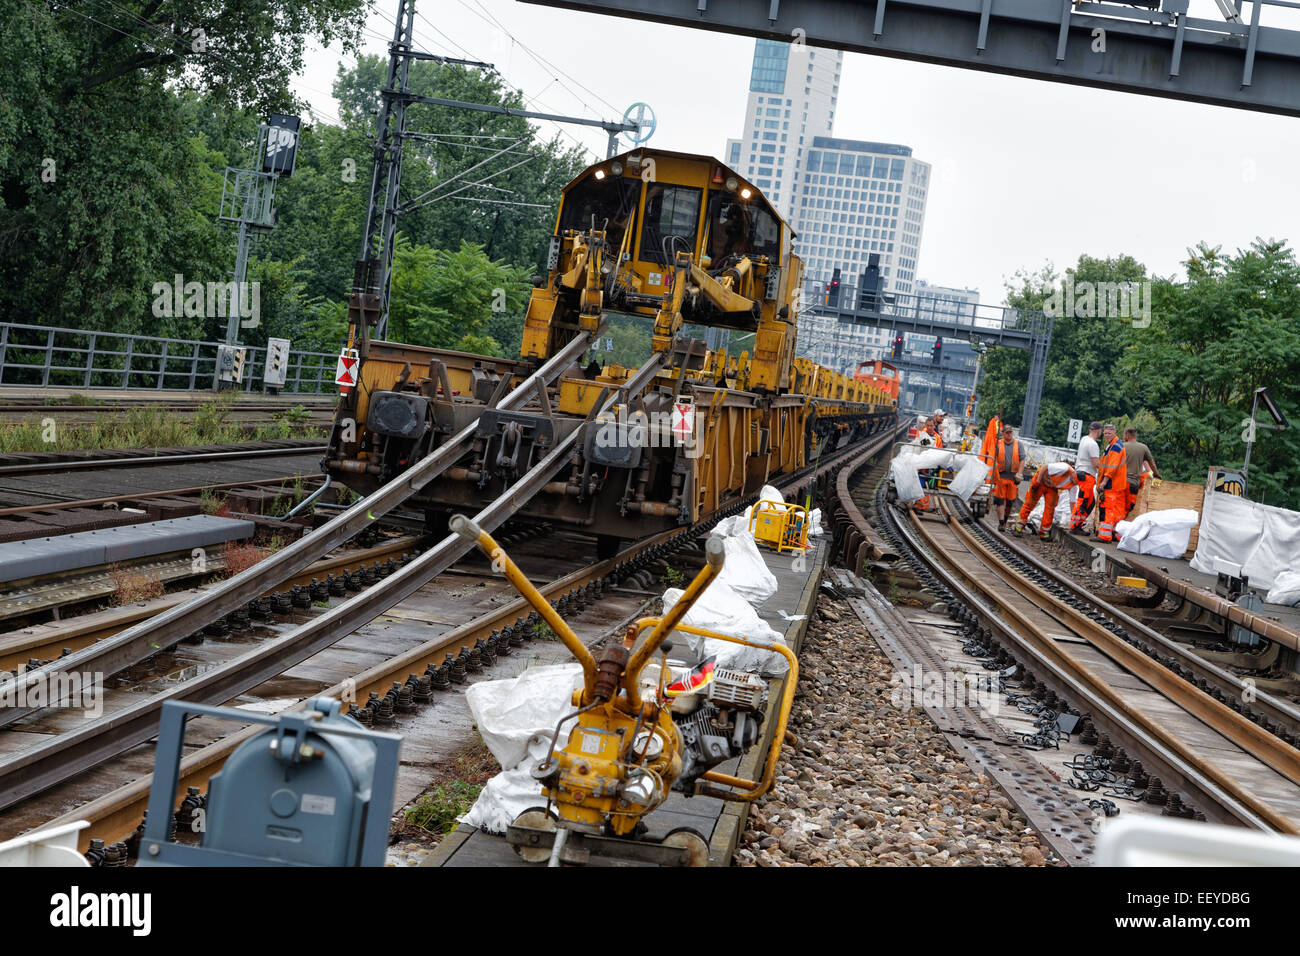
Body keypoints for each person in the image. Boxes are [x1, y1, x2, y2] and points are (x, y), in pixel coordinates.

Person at [1015, 462, 1080, 539]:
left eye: (1077, 481)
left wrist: (1073, 518)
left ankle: (1044, 533)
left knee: (1050, 508)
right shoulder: (1064, 468)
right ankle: (1018, 528)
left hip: (1052, 488)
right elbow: (1045, 467)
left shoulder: (1074, 485)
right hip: (1041, 480)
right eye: (1075, 479)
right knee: (1030, 503)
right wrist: (1038, 481)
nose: (1075, 481)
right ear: (1073, 473)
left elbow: (1072, 503)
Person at [1096, 424, 1128, 543]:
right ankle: (1116, 534)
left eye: (1109, 433)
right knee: (1117, 511)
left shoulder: (1115, 447)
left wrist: (1104, 482)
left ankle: (1104, 536)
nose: (1106, 435)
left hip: (1111, 484)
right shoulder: (1113, 445)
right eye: (1105, 433)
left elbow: (1111, 468)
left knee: (1107, 509)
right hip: (1116, 484)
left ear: (1115, 433)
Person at [991, 424, 1025, 531]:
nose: (1009, 434)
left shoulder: (1018, 444)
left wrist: (1019, 474)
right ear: (1003, 434)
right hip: (1001, 477)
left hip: (1013, 478)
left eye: (1010, 432)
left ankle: (1005, 520)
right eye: (1007, 432)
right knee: (999, 500)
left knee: (1010, 501)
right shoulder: (998, 444)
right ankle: (1001, 522)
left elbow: (1022, 460)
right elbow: (993, 459)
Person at [1070, 421, 1102, 533]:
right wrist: (1105, 471)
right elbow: (1095, 463)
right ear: (1099, 431)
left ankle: (1078, 524)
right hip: (1087, 475)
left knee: (1090, 502)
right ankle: (1074, 526)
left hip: (1080, 472)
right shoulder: (1093, 444)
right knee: (1084, 500)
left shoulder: (1084, 439)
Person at [1122, 427, 1161, 516]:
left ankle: (1115, 527)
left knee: (1119, 506)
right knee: (1129, 507)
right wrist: (1157, 475)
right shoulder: (1143, 447)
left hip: (1120, 482)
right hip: (1133, 483)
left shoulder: (1121, 446)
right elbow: (1152, 465)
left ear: (1127, 435)